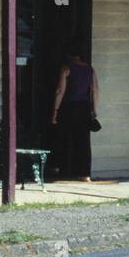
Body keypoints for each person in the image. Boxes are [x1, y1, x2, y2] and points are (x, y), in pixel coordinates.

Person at [51, 45, 99, 181]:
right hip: (84, 107)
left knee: (64, 138)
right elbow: (95, 90)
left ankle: (61, 169)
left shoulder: (67, 68)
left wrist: (55, 111)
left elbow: (60, 90)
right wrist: (94, 109)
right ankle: (84, 173)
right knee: (83, 141)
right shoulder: (90, 70)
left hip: (68, 107)